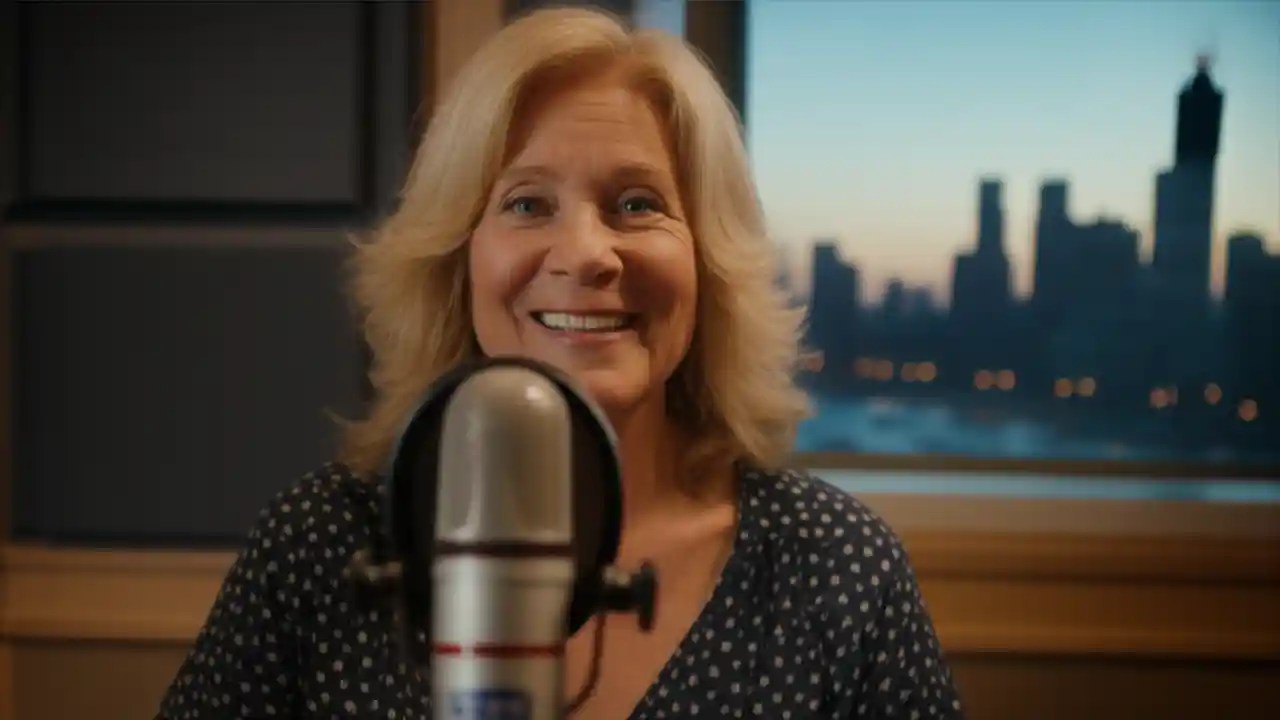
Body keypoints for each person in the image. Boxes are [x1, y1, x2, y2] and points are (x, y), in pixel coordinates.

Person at [159, 7, 963, 719]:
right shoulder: (319, 546)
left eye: (638, 204)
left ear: (709, 267)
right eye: (526, 203)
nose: (584, 256)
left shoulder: (835, 567)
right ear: (456, 259)